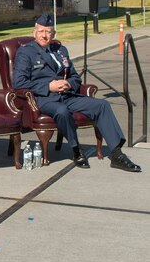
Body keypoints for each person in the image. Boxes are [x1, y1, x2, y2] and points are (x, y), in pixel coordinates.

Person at [12, 13, 141, 172]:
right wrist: (49, 86)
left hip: (67, 95)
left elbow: (75, 77)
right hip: (44, 98)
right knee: (61, 111)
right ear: (34, 33)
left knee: (102, 105)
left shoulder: (61, 50)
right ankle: (76, 150)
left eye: (48, 32)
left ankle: (117, 154)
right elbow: (19, 83)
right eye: (41, 31)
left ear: (54, 34)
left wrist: (69, 84)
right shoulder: (26, 52)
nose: (44, 35)